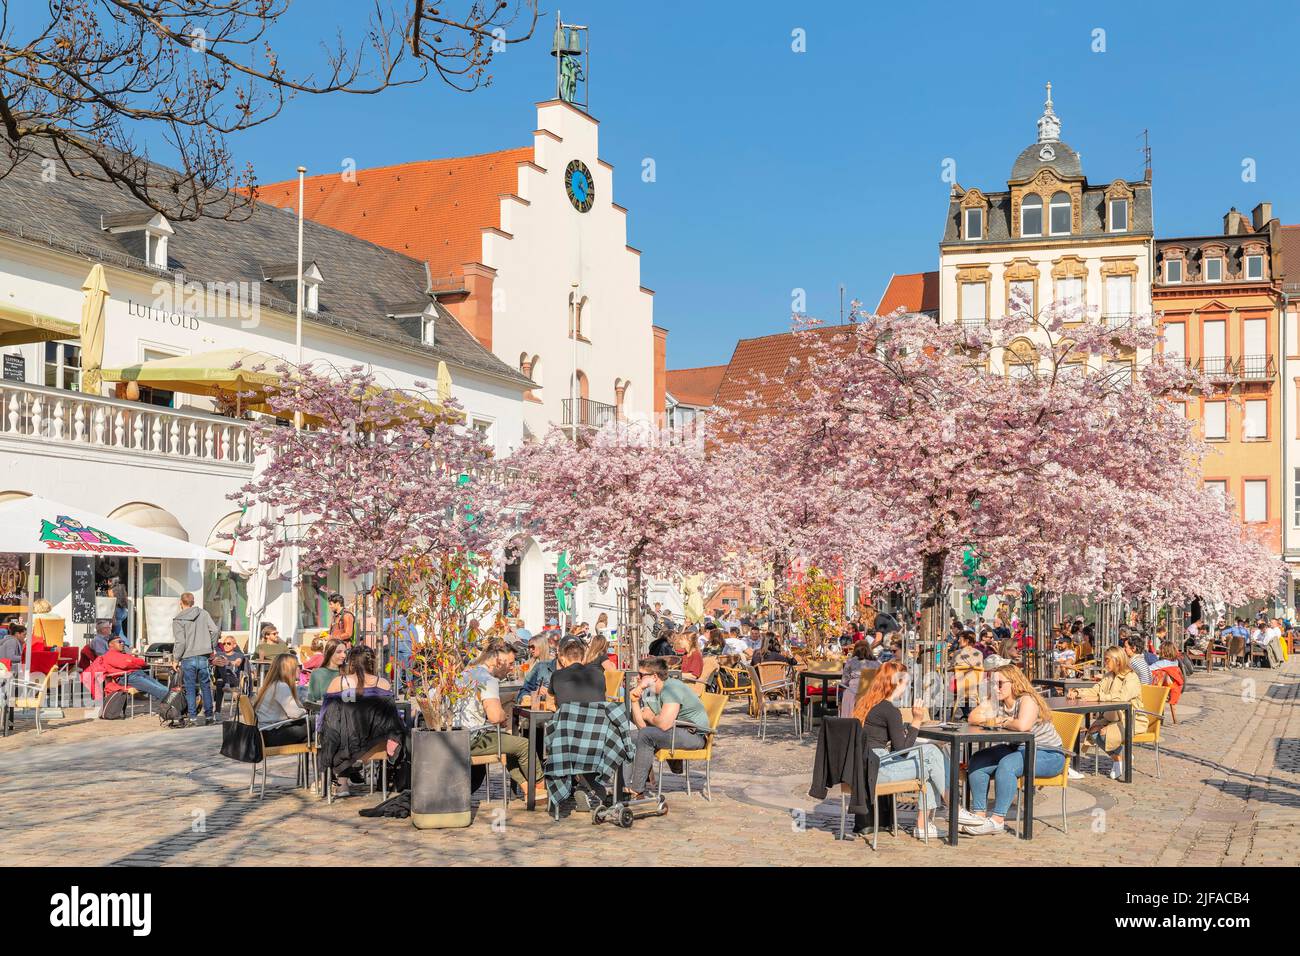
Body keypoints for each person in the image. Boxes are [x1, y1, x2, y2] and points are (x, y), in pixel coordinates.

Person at [853, 660, 955, 839]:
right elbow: (902, 750)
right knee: (931, 754)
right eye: (905, 683)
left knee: (930, 759)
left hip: (865, 767)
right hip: (879, 769)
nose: (907, 688)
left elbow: (893, 746)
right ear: (894, 683)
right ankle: (954, 808)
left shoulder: (867, 703)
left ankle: (925, 824)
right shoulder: (890, 710)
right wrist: (916, 720)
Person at [962, 664, 1067, 835]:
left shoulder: (1027, 699)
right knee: (978, 760)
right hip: (1017, 748)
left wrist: (1001, 721)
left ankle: (997, 821)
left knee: (1007, 765)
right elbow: (973, 717)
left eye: (1000, 683)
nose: (995, 688)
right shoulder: (997, 700)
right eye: (992, 684)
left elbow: (1023, 725)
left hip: (1049, 754)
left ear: (1014, 682)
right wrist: (997, 719)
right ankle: (979, 816)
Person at [453, 638, 545, 798]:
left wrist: (507, 701)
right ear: (497, 660)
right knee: (524, 746)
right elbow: (495, 717)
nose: (511, 668)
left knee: (510, 745)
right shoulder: (488, 680)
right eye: (510, 663)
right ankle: (540, 787)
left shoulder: (467, 673)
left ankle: (526, 788)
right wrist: (503, 716)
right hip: (473, 737)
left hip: (455, 734)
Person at [624, 657, 711, 798]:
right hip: (674, 732)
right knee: (627, 737)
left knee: (647, 736)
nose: (637, 678)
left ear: (654, 676)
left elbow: (664, 724)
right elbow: (642, 727)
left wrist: (650, 717)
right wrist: (634, 700)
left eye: (641, 675)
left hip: (694, 735)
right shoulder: (650, 690)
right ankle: (625, 787)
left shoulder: (672, 688)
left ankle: (637, 790)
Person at [1069, 646, 1147, 780]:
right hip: (1112, 717)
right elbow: (1095, 690)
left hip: (1130, 720)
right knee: (1092, 731)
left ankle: (1122, 758)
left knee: (1104, 732)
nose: (1105, 663)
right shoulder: (1109, 676)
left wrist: (1100, 697)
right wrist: (1077, 692)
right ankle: (1120, 758)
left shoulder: (1131, 677)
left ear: (1117, 660)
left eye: (1107, 660)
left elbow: (1122, 697)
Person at [172, 592, 219, 726]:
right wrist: (211, 647)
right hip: (204, 655)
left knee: (190, 687)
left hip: (188, 656)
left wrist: (175, 659)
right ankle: (209, 717)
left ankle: (192, 718)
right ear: (193, 602)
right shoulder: (203, 613)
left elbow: (180, 642)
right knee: (205, 686)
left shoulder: (178, 620)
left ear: (181, 603)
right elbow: (215, 630)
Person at [91, 633, 170, 710]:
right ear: (111, 644)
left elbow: (142, 662)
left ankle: (176, 700)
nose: (122, 644)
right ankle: (175, 702)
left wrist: (132, 662)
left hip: (137, 674)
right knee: (155, 688)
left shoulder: (123, 654)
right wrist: (133, 662)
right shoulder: (109, 655)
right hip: (126, 677)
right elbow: (124, 664)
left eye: (123, 642)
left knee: (161, 687)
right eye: (119, 642)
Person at [253, 653, 308, 746]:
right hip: (271, 734)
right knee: (317, 721)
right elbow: (295, 714)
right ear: (289, 668)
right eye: (298, 666)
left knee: (314, 733)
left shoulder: (273, 684)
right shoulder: (281, 686)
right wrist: (304, 710)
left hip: (265, 733)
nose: (300, 669)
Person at [551, 637, 607, 705]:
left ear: (564, 659)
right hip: (596, 714)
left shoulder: (557, 675)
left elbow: (549, 704)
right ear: (583, 658)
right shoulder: (599, 674)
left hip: (569, 715)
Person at [211, 633, 247, 716]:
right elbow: (213, 661)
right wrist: (217, 661)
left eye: (228, 643)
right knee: (221, 662)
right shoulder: (219, 654)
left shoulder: (239, 655)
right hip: (219, 677)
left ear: (234, 645)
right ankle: (226, 683)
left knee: (220, 682)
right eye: (224, 643)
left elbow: (238, 663)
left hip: (232, 678)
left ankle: (217, 712)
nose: (226, 645)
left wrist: (229, 662)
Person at [840, 641, 878, 719]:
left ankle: (847, 722)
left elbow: (844, 681)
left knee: (846, 692)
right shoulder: (877, 663)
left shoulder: (851, 662)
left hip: (854, 694)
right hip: (871, 695)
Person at [307, 638, 347, 703]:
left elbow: (352, 702)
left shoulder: (349, 673)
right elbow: (312, 702)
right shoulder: (317, 674)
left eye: (345, 652)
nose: (344, 655)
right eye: (339, 652)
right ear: (330, 653)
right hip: (323, 711)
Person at [519, 634, 556, 701]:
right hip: (529, 694)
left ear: (541, 647)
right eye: (529, 647)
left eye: (533, 647)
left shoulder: (552, 662)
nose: (530, 650)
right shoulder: (530, 661)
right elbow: (521, 677)